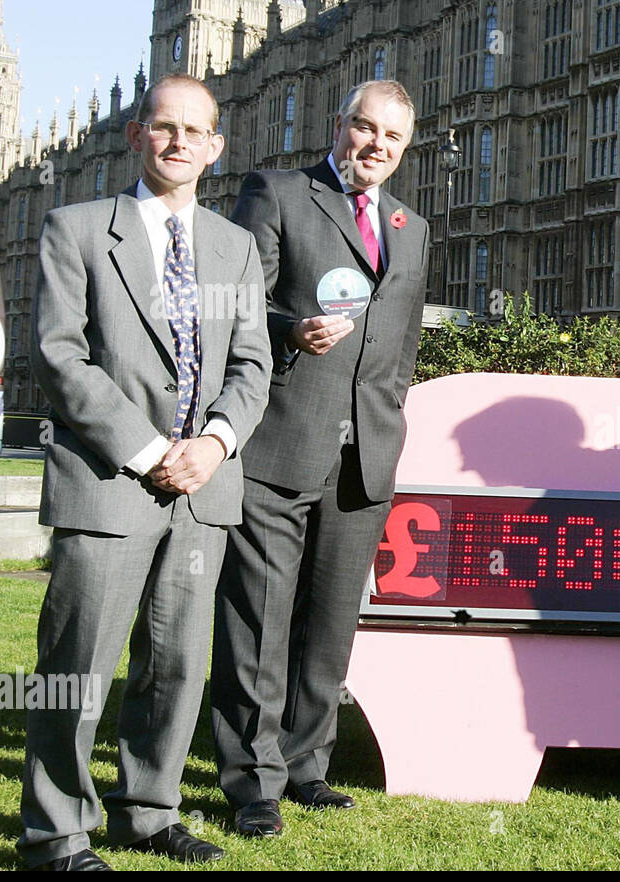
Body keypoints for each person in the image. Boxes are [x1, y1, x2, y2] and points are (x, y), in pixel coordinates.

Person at [19, 74, 271, 870]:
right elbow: (61, 355)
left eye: (197, 130)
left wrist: (217, 442)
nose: (179, 141)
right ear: (136, 136)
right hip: (108, 480)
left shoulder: (234, 246)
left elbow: (252, 363)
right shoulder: (78, 227)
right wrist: (149, 448)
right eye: (164, 127)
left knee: (177, 666)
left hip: (204, 490)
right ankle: (57, 830)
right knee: (77, 665)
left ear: (217, 147)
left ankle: (149, 809)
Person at [211, 80, 430, 837]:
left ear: (404, 149)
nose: (373, 145)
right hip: (279, 440)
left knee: (330, 626)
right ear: (339, 126)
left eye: (390, 138)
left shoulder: (412, 226)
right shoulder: (276, 192)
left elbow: (400, 352)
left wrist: (388, 428)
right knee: (260, 622)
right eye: (363, 128)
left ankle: (307, 767)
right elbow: (232, 306)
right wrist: (286, 328)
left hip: (362, 459)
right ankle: (251, 783)